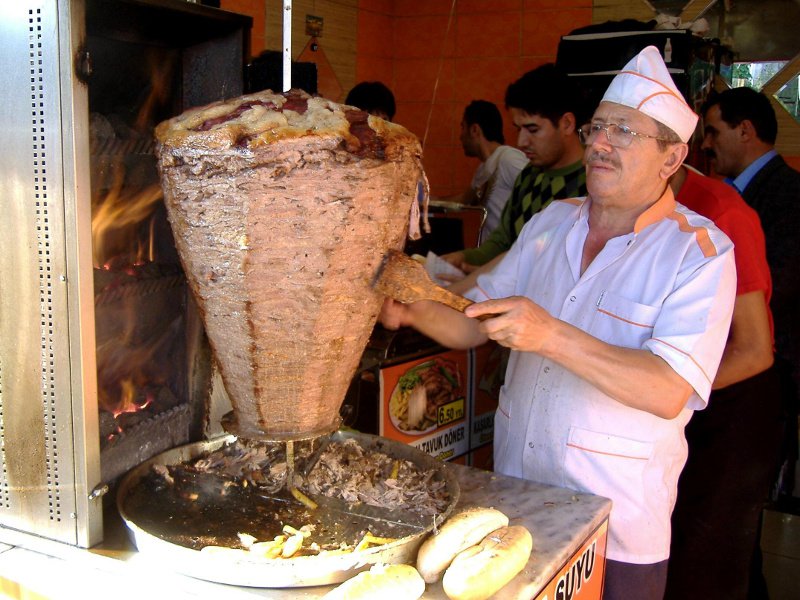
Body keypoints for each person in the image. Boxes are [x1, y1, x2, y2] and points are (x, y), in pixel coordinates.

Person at [379, 46, 736, 599]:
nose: (600, 143)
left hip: (618, 526)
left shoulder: (700, 253)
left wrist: (550, 336)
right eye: (598, 128)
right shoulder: (553, 221)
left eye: (624, 131)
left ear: (671, 157)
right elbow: (474, 324)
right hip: (516, 503)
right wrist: (411, 308)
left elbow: (669, 390)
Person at [665, 165, 782, 599]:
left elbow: (754, 351)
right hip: (675, 396)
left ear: (671, 154)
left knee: (706, 555)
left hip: (732, 403)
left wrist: (663, 391)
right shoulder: (614, 206)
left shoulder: (720, 211)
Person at [440, 64, 587, 273]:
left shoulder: (592, 182)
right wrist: (462, 258)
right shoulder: (529, 176)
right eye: (519, 129)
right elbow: (502, 243)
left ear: (567, 124)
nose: (521, 142)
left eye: (532, 129)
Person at [434, 100, 528, 240]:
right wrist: (428, 201)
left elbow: (540, 197)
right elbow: (464, 201)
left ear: (474, 130)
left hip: (512, 251)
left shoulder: (508, 158)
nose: (460, 136)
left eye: (463, 127)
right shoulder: (482, 170)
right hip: (492, 250)